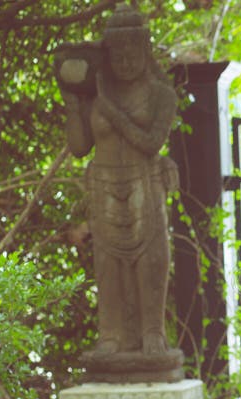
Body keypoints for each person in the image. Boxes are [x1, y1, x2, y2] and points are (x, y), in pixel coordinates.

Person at [59, 4, 178, 364]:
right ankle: (110, 334)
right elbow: (80, 147)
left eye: (133, 52)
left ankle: (151, 332)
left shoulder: (161, 95)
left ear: (145, 52)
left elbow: (151, 142)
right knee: (108, 261)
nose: (125, 60)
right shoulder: (95, 96)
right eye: (118, 53)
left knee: (150, 258)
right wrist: (74, 107)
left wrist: (110, 111)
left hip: (145, 181)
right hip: (104, 182)